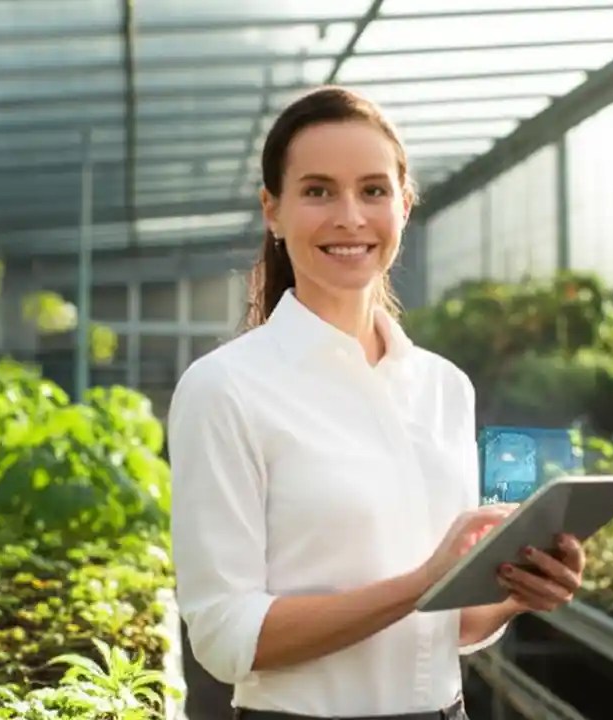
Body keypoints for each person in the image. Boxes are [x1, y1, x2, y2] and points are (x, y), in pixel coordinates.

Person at [167, 85, 587, 720]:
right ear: (272, 212)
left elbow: (448, 626)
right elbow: (226, 638)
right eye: (317, 191)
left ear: (404, 205)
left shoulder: (443, 386)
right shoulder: (225, 389)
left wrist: (518, 592)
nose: (350, 217)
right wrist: (419, 586)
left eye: (373, 190)